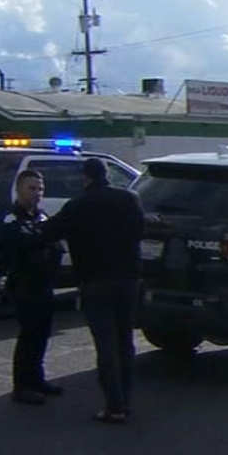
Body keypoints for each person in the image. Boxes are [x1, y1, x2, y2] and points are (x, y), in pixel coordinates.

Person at [37, 158, 146, 424]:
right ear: (106, 174)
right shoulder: (129, 199)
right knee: (124, 343)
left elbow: (48, 233)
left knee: (105, 345)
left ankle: (114, 405)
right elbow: (140, 230)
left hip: (95, 280)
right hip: (128, 279)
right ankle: (126, 401)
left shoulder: (78, 205)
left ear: (85, 177)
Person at [2, 169, 64, 405]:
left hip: (45, 284)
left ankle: (37, 379)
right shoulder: (11, 219)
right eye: (32, 188)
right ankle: (22, 386)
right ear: (19, 190)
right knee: (29, 335)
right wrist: (43, 238)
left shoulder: (41, 217)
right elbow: (21, 245)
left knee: (42, 334)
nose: (37, 193)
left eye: (40, 189)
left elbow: (54, 245)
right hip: (25, 285)